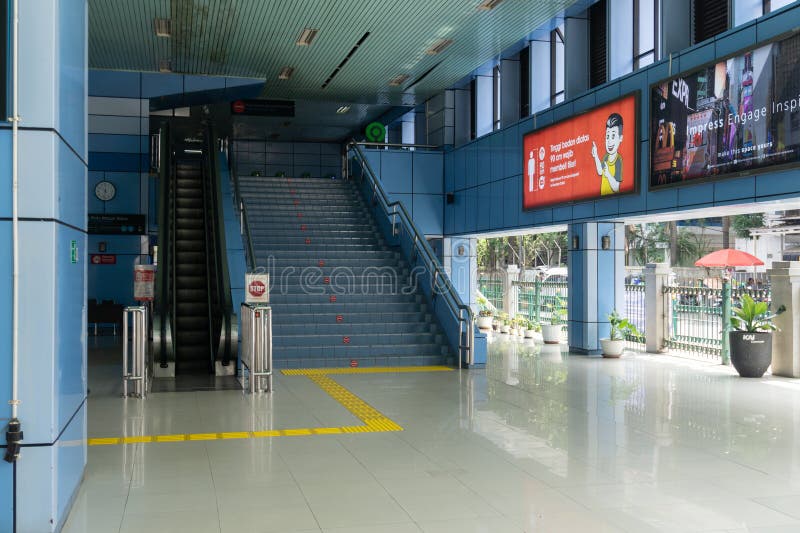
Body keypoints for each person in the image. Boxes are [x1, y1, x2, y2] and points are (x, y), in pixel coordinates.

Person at [591, 113, 624, 195]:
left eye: (613, 136)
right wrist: (595, 155)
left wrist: (609, 175)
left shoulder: (618, 160)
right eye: (607, 136)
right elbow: (600, 171)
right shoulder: (606, 157)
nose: (609, 141)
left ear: (620, 138)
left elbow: (616, 187)